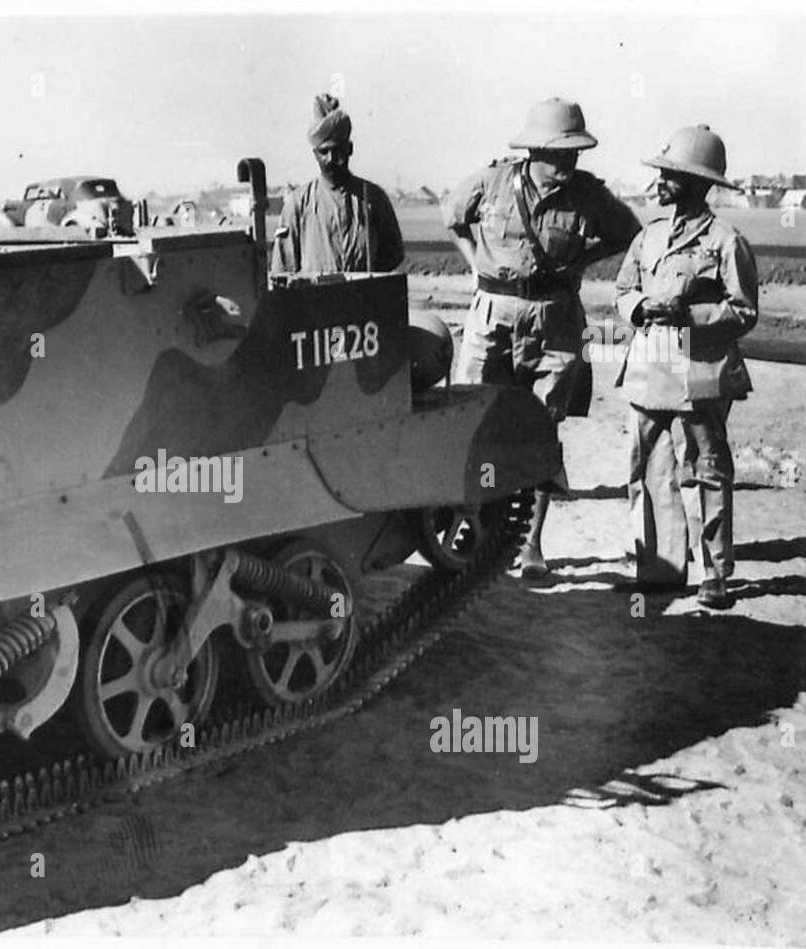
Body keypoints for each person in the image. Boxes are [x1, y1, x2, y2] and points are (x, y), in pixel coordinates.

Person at [444, 98, 641, 576]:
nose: (569, 163)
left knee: (539, 430)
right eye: (560, 154)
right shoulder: (490, 183)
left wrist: (582, 261)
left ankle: (531, 544)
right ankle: (477, 531)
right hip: (492, 316)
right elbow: (454, 219)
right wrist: (476, 265)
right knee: (476, 423)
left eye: (575, 153)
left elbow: (627, 232)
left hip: (555, 321)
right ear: (534, 151)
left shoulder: (589, 196)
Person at [614, 125, 757, 609]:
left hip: (700, 368)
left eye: (671, 174)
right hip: (651, 363)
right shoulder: (649, 236)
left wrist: (690, 316)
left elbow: (744, 310)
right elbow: (622, 291)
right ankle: (659, 569)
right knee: (649, 466)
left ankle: (715, 573)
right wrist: (637, 309)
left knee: (707, 470)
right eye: (661, 172)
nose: (661, 182)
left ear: (698, 183)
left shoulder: (725, 240)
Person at [271, 94, 405, 276]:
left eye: (337, 150)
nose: (331, 159)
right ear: (315, 154)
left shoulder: (373, 198)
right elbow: (284, 268)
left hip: (362, 299)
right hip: (314, 301)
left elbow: (392, 255)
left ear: (349, 149)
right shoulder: (298, 204)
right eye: (324, 152)